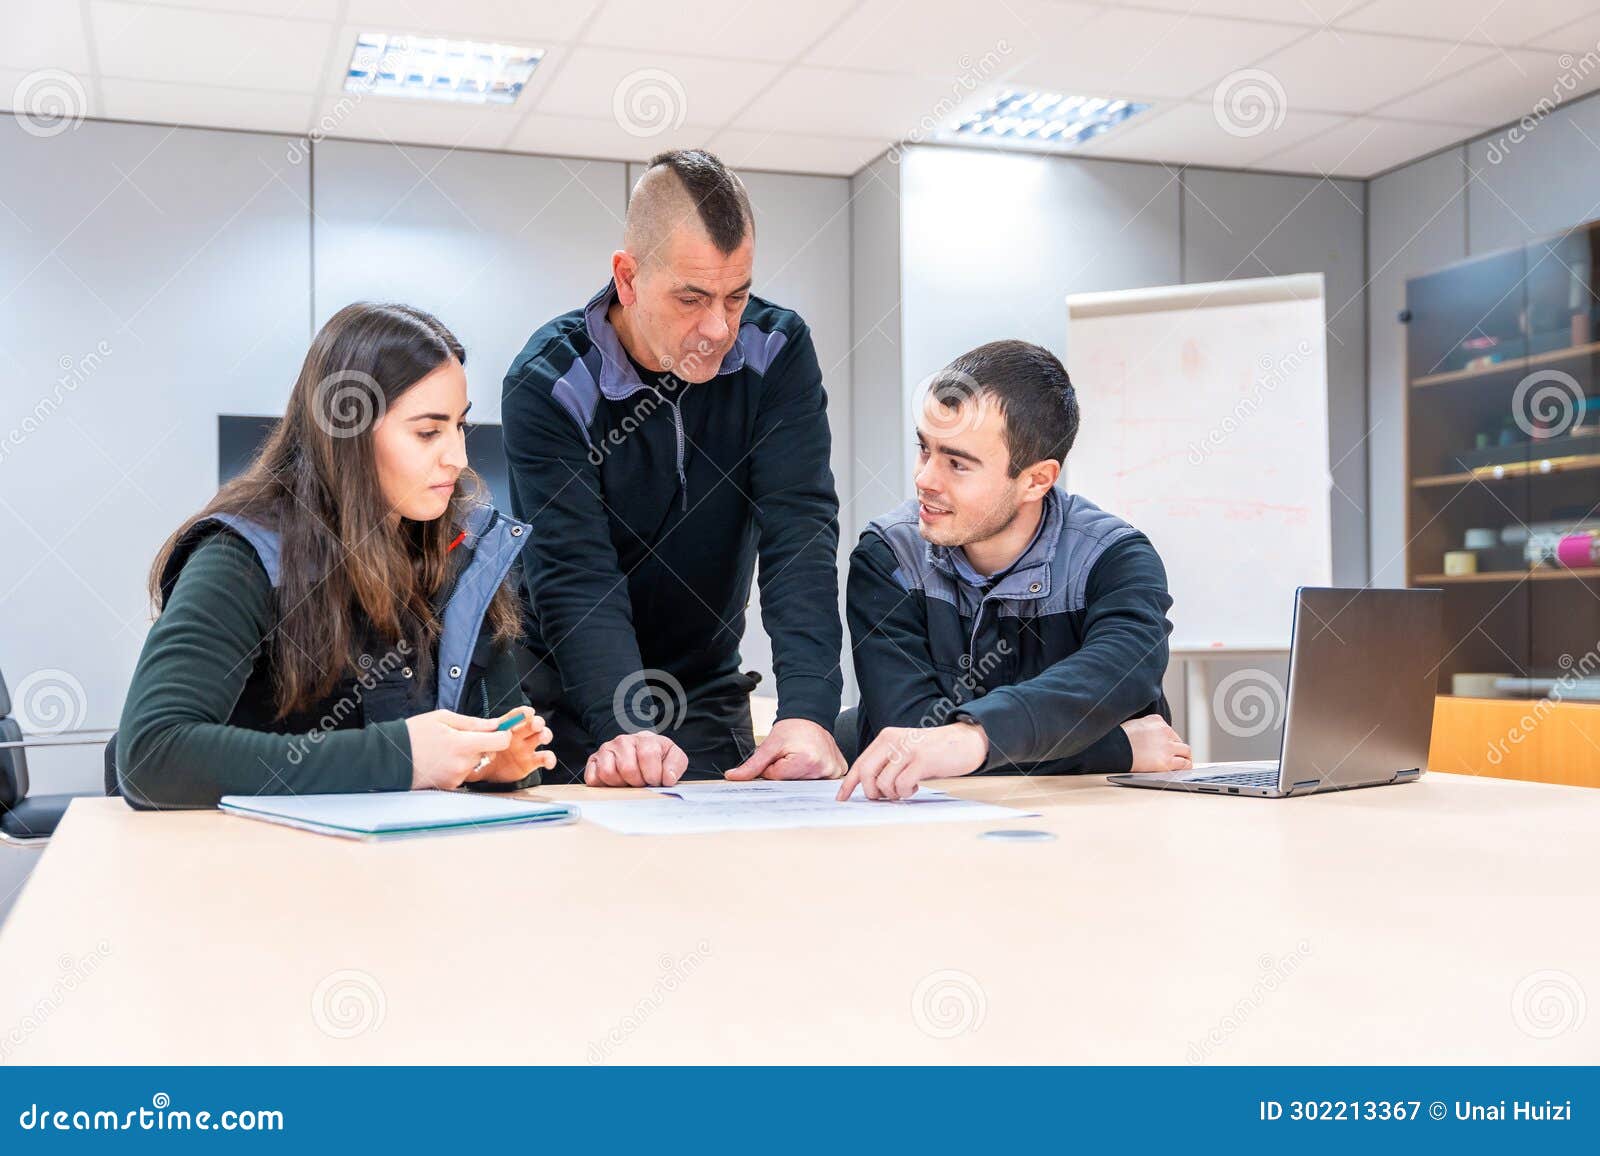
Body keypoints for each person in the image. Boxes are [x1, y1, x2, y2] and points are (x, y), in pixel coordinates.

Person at [116, 303, 556, 809]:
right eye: (428, 432)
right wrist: (401, 758)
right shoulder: (241, 557)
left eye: (460, 425)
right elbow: (154, 755)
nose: (457, 456)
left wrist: (487, 763)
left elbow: (486, 739)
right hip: (247, 870)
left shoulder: (465, 554)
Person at [503, 149, 846, 788]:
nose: (717, 328)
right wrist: (623, 727)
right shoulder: (548, 383)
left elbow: (799, 532)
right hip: (573, 699)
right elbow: (575, 573)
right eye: (691, 298)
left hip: (706, 691)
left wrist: (808, 712)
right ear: (627, 279)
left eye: (736, 296)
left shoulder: (777, 350)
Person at [838, 339, 1190, 801]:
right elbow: (913, 746)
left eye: (958, 463)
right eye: (925, 450)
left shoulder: (1115, 561)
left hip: (1095, 831)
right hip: (931, 838)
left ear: (1036, 480)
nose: (925, 479)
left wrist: (968, 739)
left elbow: (1117, 681)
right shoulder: (888, 557)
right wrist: (1115, 749)